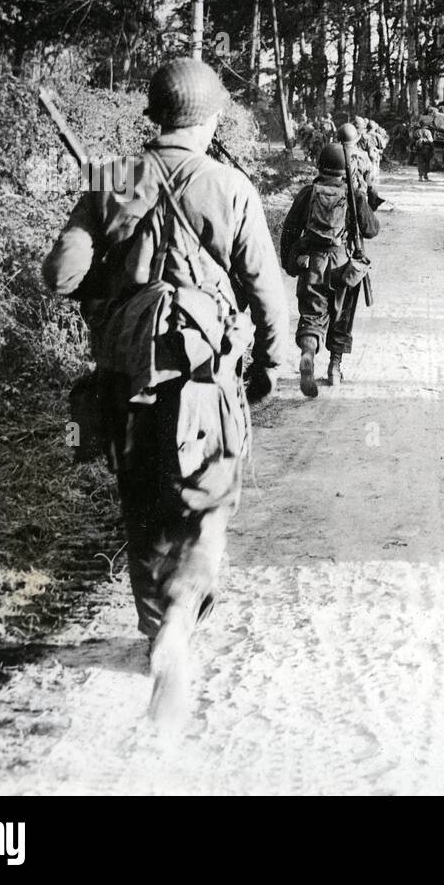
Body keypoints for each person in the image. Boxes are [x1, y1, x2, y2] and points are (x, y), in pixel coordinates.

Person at [42, 58, 290, 729]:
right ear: (211, 120)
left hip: (127, 381)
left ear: (152, 116)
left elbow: (61, 274)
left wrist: (106, 266)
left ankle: (157, 628)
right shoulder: (231, 187)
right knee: (206, 505)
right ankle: (181, 617)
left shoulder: (110, 179)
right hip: (203, 382)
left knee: (142, 507)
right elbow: (270, 297)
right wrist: (270, 365)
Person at [280, 142, 379, 398]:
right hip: (343, 264)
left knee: (312, 316)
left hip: (313, 264)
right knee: (342, 317)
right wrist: (362, 197)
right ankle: (334, 368)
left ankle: (308, 354)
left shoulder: (308, 193)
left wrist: (291, 262)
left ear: (320, 165)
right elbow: (371, 229)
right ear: (345, 169)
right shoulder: (352, 194)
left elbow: (290, 229)